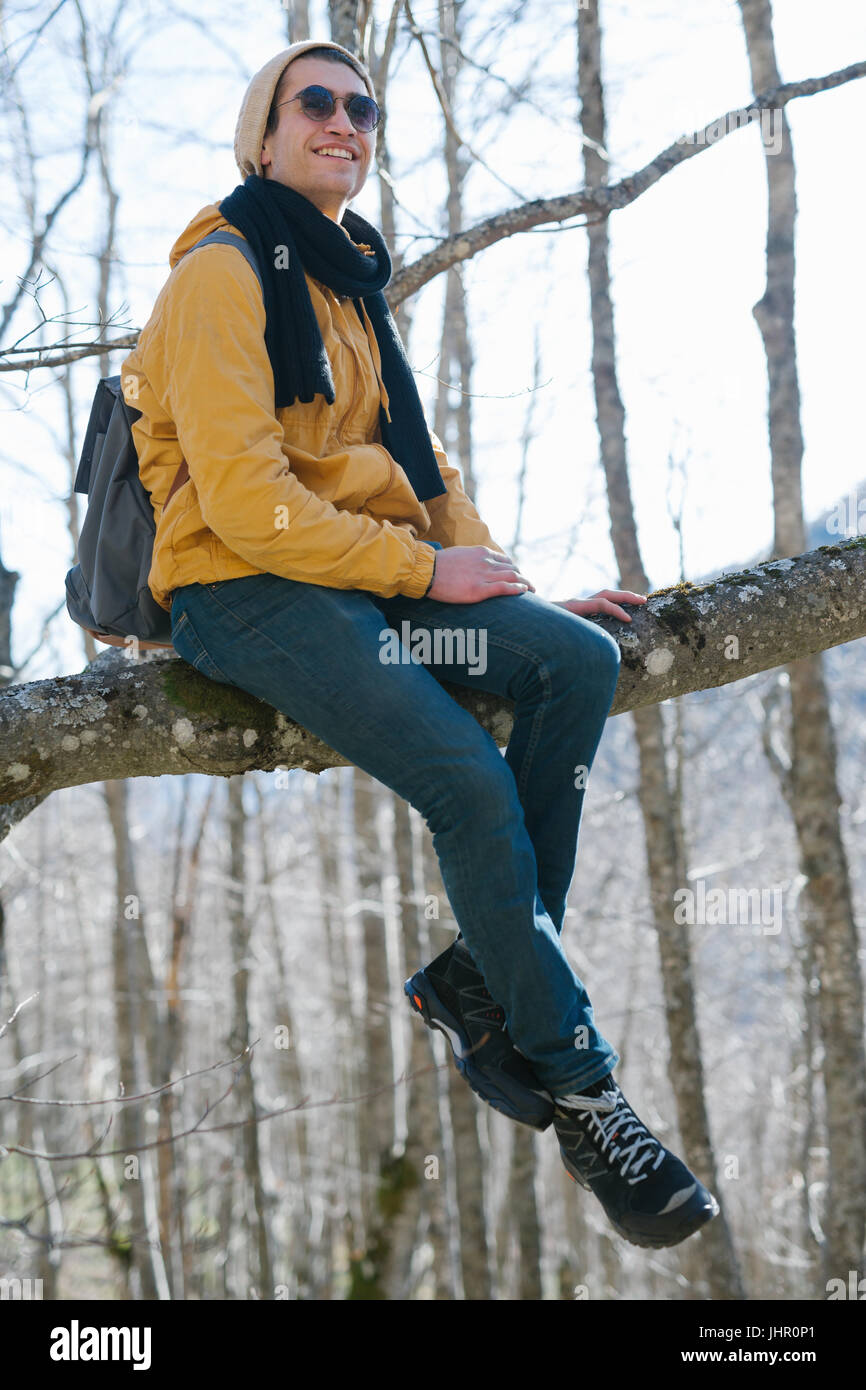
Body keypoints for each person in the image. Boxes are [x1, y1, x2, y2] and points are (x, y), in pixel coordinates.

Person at [121, 39, 719, 1250]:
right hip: (245, 589)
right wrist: (418, 570)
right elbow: (244, 498)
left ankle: (477, 984)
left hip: (360, 577)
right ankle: (583, 1088)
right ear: (265, 134)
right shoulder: (221, 276)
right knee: (461, 774)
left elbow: (423, 482)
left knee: (577, 663)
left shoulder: (350, 292)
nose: (346, 120)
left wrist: (515, 596)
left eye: (363, 107)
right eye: (317, 103)